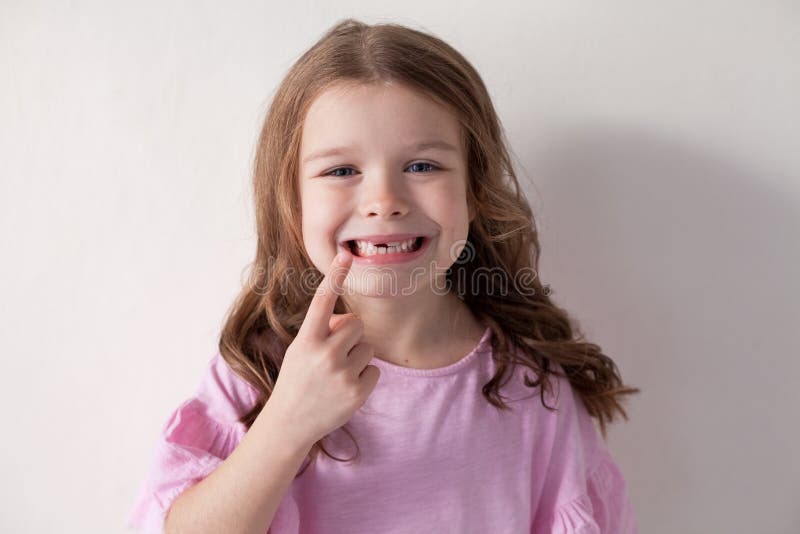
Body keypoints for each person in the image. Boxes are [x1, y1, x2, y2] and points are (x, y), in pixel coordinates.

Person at [127, 18, 641, 534]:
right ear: (292, 201)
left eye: (421, 166)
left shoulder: (531, 388)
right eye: (341, 170)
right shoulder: (260, 370)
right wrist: (286, 426)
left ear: (474, 189)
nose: (384, 203)